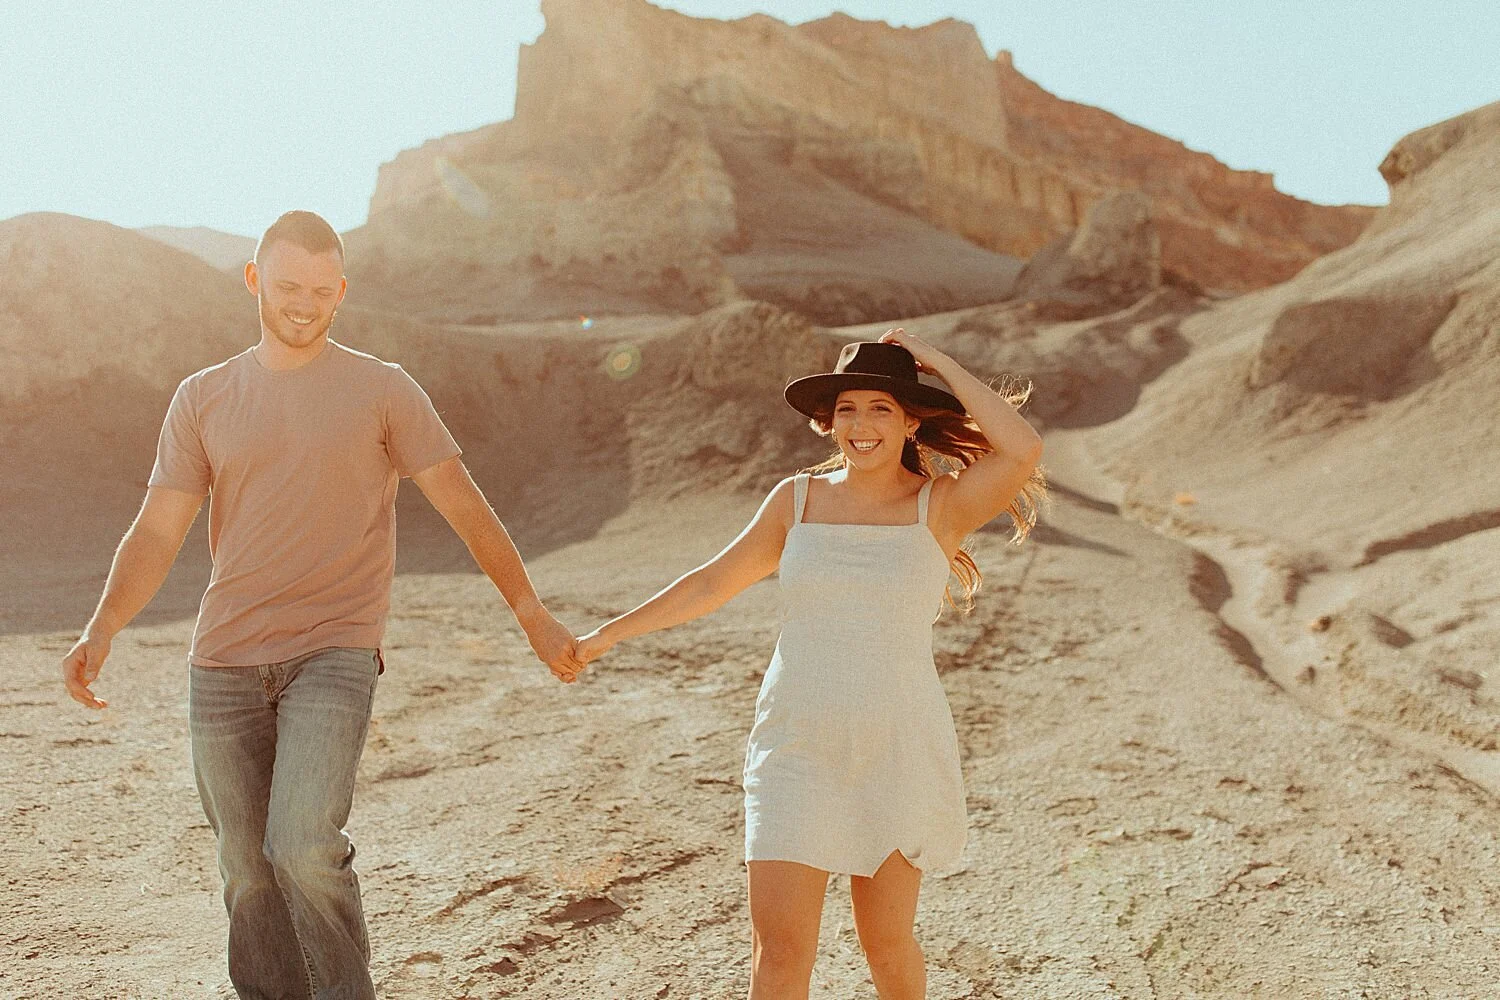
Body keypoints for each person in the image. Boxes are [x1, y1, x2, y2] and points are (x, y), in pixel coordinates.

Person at [59, 210, 582, 1000]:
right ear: (253, 280)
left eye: (319, 289)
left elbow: (464, 505)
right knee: (245, 866)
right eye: (285, 285)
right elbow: (159, 527)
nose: (302, 302)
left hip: (335, 650)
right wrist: (102, 628)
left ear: (340, 291)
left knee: (301, 842)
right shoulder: (203, 396)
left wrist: (532, 614)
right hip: (223, 661)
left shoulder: (383, 389)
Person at [572, 331, 1046, 999]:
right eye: (848, 409)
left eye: (882, 408)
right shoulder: (795, 501)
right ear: (829, 422)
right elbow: (711, 583)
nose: (862, 425)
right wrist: (603, 637)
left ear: (911, 420)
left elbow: (1023, 450)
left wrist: (937, 363)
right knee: (781, 951)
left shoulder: (941, 505)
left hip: (895, 747)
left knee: (885, 947)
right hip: (796, 746)